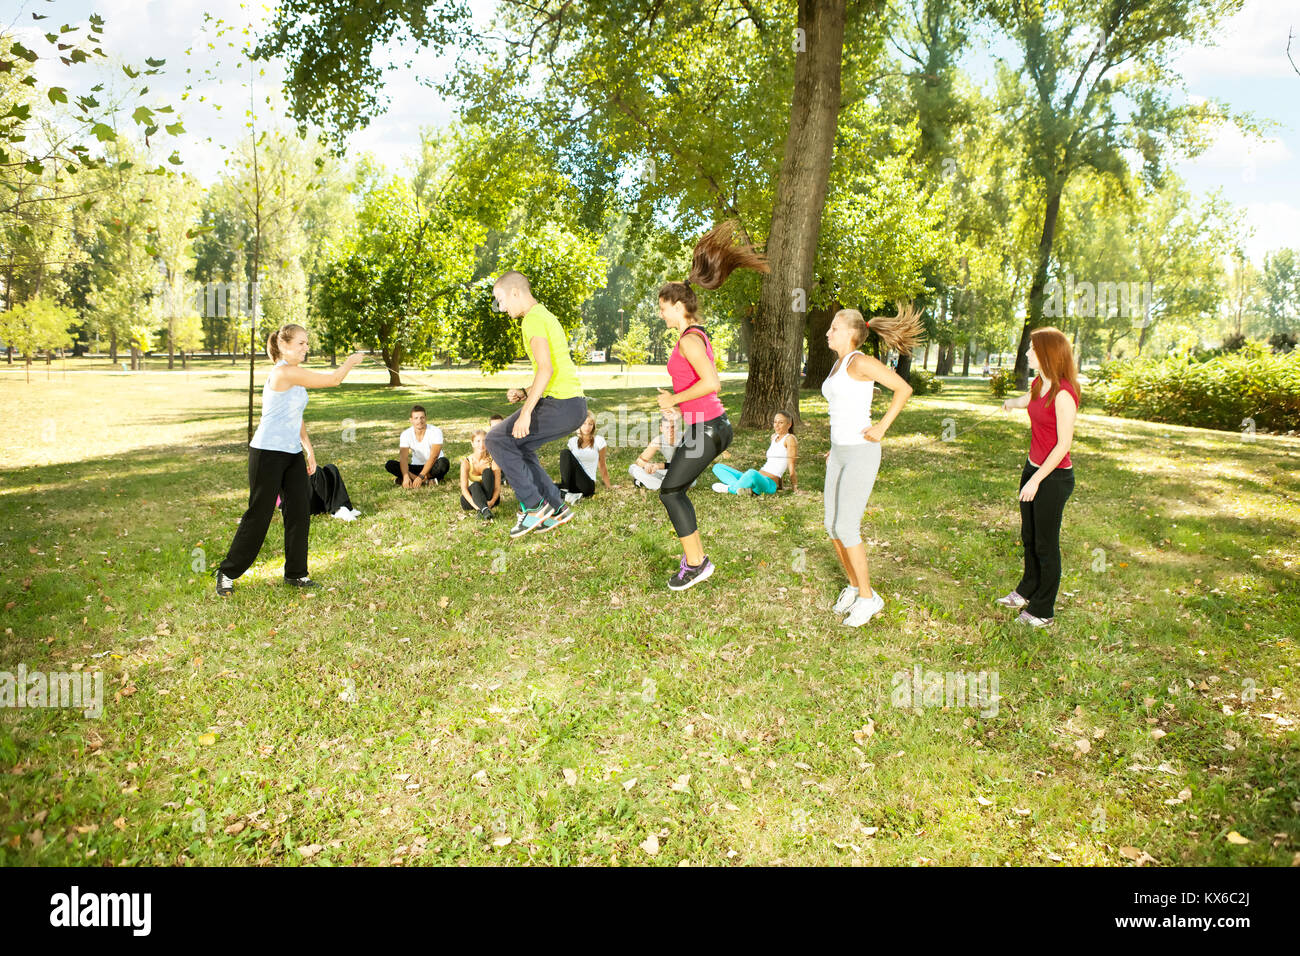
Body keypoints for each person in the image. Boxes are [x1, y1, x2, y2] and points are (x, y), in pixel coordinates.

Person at [655, 221, 768, 590]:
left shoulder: (689, 338)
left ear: (677, 305)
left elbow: (711, 383)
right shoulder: (693, 334)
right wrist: (678, 406)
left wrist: (675, 398)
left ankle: (696, 563)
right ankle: (696, 560)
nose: (661, 315)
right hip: (708, 425)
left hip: (710, 427)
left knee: (670, 490)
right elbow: (699, 386)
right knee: (675, 488)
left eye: (662, 308)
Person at [216, 325, 365, 595]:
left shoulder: (294, 378)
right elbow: (333, 380)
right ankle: (227, 572)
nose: (306, 348)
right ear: (284, 345)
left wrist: (308, 448)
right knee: (259, 514)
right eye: (301, 343)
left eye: (307, 343)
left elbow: (295, 415)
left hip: (291, 453)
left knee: (299, 512)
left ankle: (296, 574)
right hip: (267, 453)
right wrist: (351, 362)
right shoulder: (284, 371)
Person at [822, 304, 920, 627]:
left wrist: (881, 428)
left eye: (834, 328)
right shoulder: (838, 365)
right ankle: (853, 586)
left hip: (862, 453)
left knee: (847, 527)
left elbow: (903, 389)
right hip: (839, 453)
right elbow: (841, 409)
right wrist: (834, 447)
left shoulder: (861, 361)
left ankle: (868, 598)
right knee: (832, 526)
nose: (828, 332)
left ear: (851, 332)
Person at [484, 271, 588, 537]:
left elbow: (546, 369)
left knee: (496, 439)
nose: (501, 307)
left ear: (515, 292)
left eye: (501, 299)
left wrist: (526, 413)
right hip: (572, 403)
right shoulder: (543, 315)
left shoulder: (532, 320)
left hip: (562, 404)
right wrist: (525, 392)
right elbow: (554, 370)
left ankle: (534, 508)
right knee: (522, 447)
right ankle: (556, 507)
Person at [996, 327, 1079, 627]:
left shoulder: (1064, 395)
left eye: (1032, 349)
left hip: (1054, 478)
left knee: (1046, 543)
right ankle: (1026, 590)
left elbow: (1062, 446)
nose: (1028, 353)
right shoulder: (1039, 383)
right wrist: (1010, 404)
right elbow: (1027, 401)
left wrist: (1037, 481)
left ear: (1047, 353)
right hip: (1034, 468)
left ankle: (1043, 610)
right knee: (1028, 536)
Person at [711, 410, 798, 495]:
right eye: (775, 422)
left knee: (751, 473)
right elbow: (775, 463)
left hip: (768, 484)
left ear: (789, 424)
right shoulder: (774, 437)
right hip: (756, 479)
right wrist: (781, 486)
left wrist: (795, 488)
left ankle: (730, 489)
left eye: (781, 422)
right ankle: (743, 488)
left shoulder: (790, 439)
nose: (776, 425)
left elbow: (791, 465)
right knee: (718, 467)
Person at [384, 405, 449, 488]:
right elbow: (403, 458)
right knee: (390, 464)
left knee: (444, 463)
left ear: (426, 418)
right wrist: (406, 476)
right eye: (416, 418)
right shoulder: (405, 434)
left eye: (422, 417)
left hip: (433, 466)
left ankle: (418, 480)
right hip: (416, 467)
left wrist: (421, 476)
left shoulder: (435, 431)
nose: (420, 421)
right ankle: (425, 482)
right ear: (411, 420)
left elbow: (434, 456)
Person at [558, 411, 611, 502]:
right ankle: (567, 494)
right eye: (584, 423)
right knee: (545, 486)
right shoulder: (573, 441)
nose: (587, 427)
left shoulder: (599, 441)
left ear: (593, 426)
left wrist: (609, 485)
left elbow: (602, 464)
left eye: (590, 424)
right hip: (572, 484)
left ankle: (563, 493)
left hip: (587, 485)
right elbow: (569, 465)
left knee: (565, 453)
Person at [630, 412, 684, 491]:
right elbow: (639, 461)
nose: (670, 430)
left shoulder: (684, 438)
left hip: (683, 471)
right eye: (667, 427)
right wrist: (646, 465)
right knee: (633, 468)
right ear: (661, 429)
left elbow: (682, 463)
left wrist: (659, 466)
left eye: (673, 427)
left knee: (691, 482)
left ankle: (653, 482)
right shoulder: (658, 441)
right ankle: (665, 483)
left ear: (677, 427)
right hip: (668, 471)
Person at [459, 429, 503, 520]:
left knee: (487, 472)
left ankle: (483, 509)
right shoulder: (466, 462)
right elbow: (464, 489)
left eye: (484, 441)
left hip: (490, 497)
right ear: (472, 443)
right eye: (478, 441)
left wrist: (492, 502)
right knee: (475, 485)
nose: (481, 444)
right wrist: (476, 506)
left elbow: (497, 488)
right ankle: (484, 509)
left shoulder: (493, 461)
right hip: (472, 498)